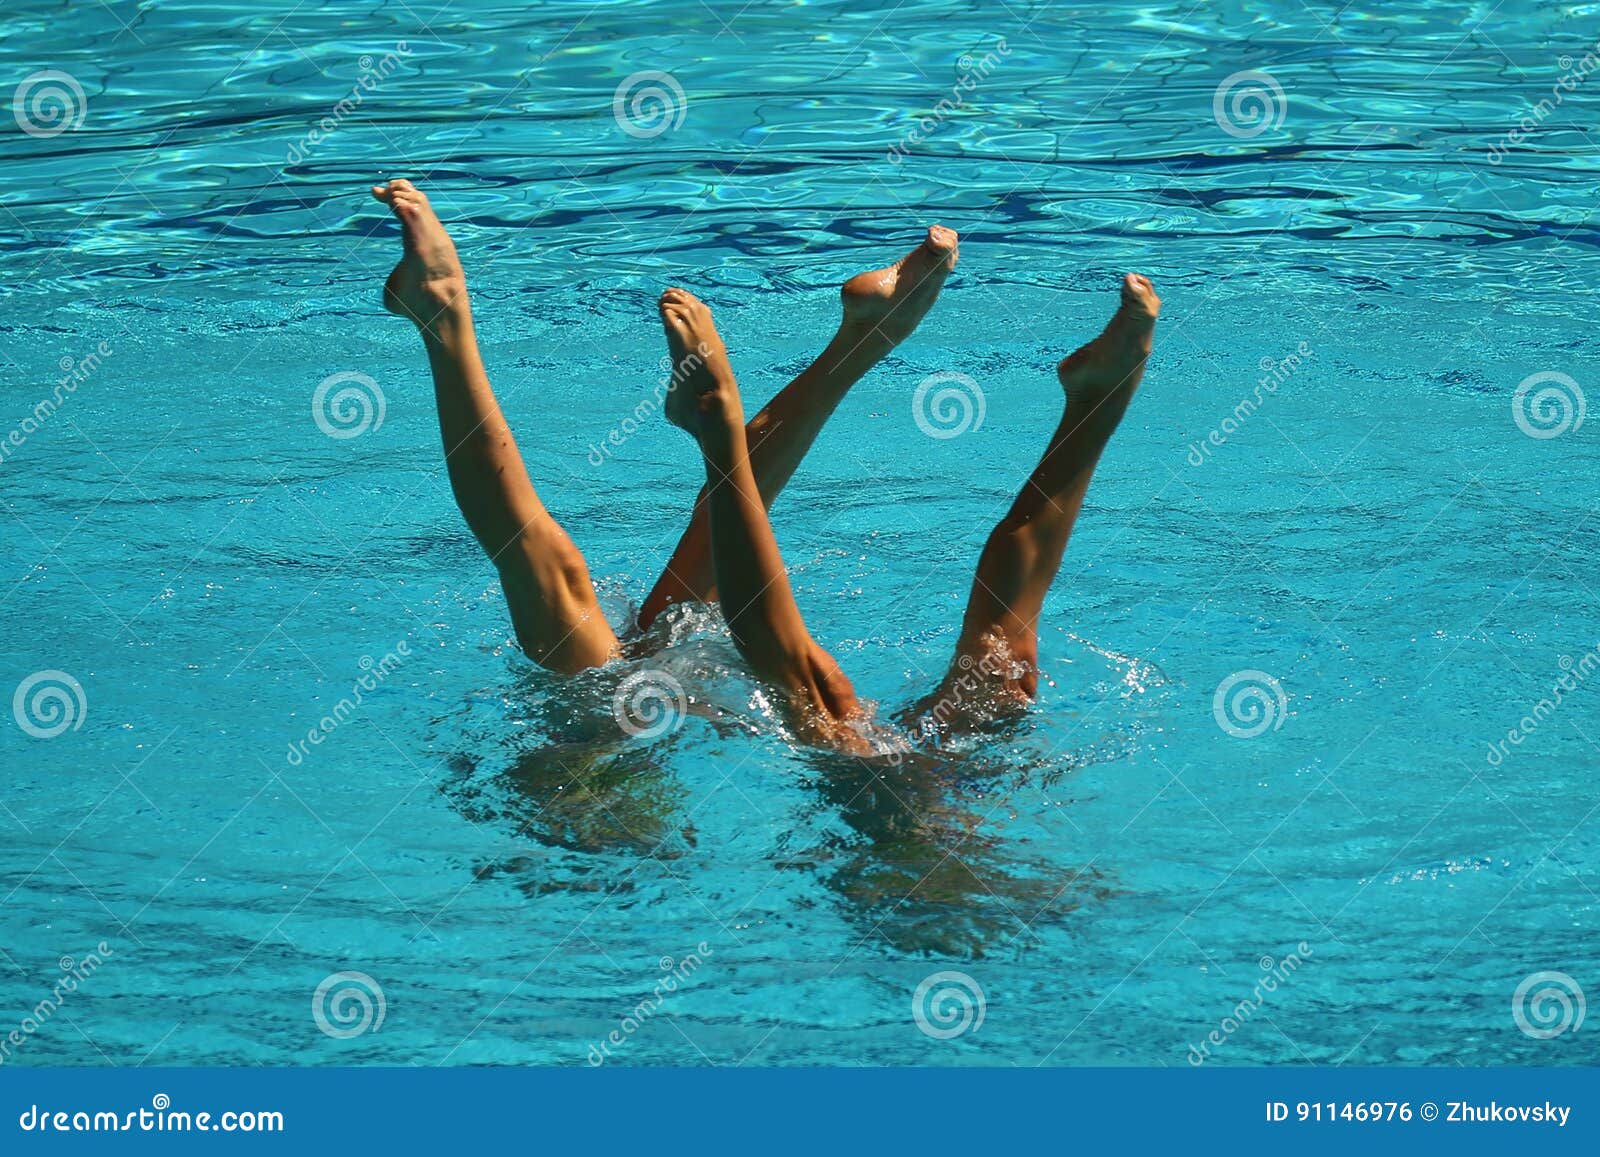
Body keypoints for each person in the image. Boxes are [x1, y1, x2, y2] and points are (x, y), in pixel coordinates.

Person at [371, 179, 1158, 748]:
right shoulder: (896, 792)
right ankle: (1078, 396)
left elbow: (768, 632)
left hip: (615, 754)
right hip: (629, 765)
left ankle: (880, 355)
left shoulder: (920, 775)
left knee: (985, 656)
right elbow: (758, 631)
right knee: (989, 667)